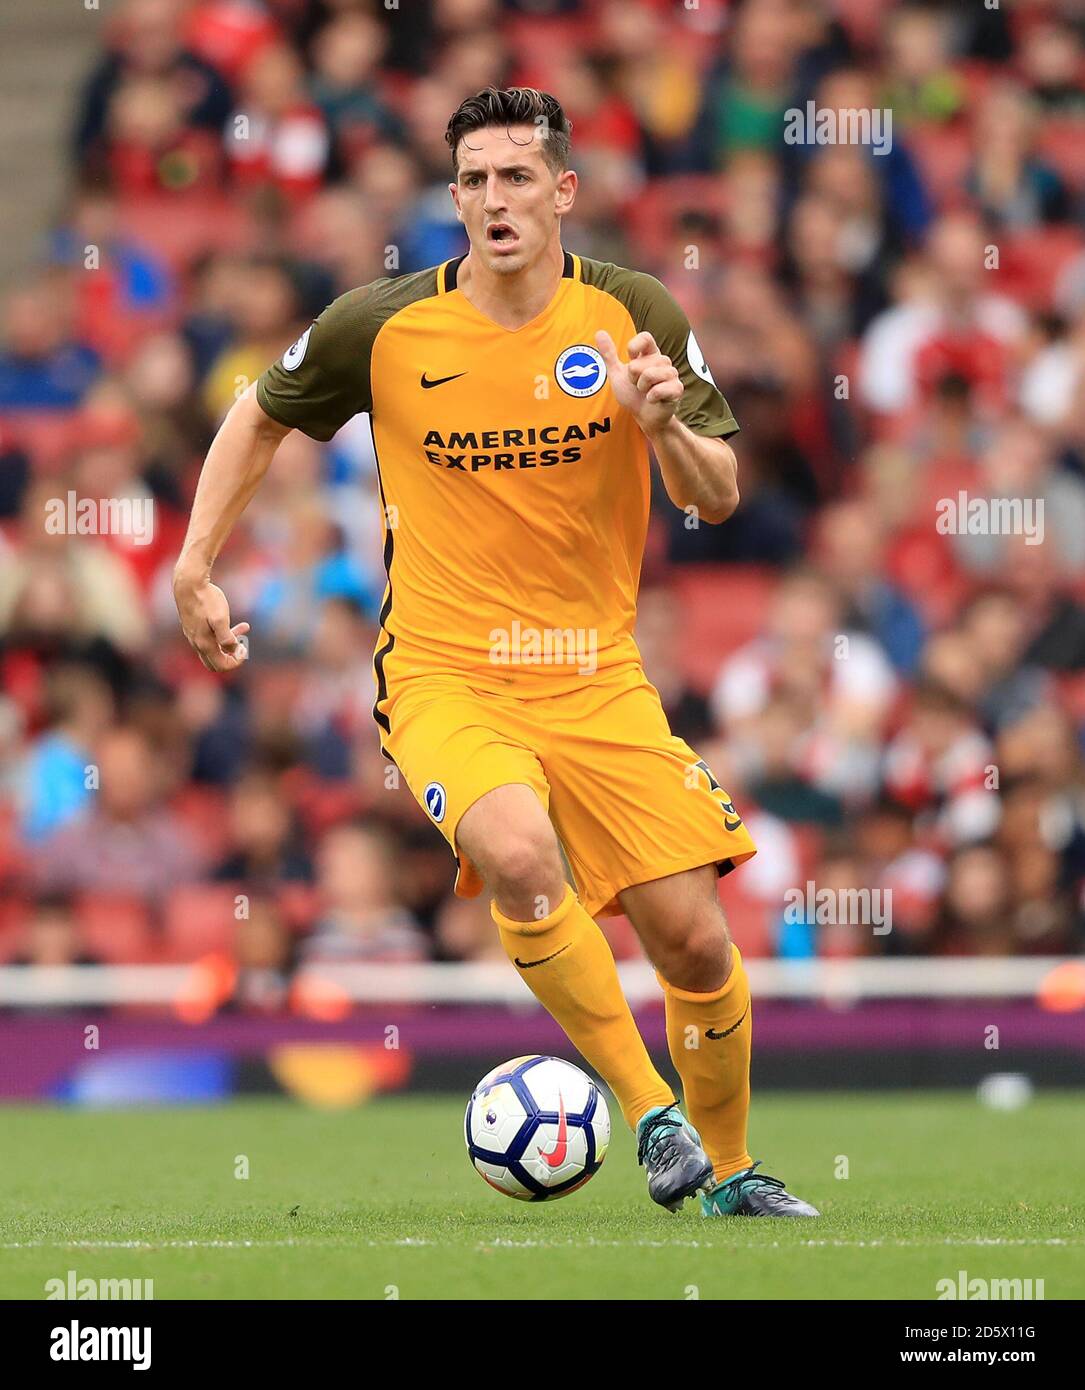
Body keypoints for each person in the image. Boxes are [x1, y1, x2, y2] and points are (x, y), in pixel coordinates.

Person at [173, 86, 817, 1218]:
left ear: (562, 191)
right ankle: (645, 1109)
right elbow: (258, 412)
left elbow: (714, 499)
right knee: (520, 857)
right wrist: (193, 561)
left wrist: (663, 420)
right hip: (442, 672)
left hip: (596, 673)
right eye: (471, 180)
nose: (490, 199)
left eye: (515, 177)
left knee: (697, 945)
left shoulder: (634, 313)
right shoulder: (381, 324)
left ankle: (729, 1174)